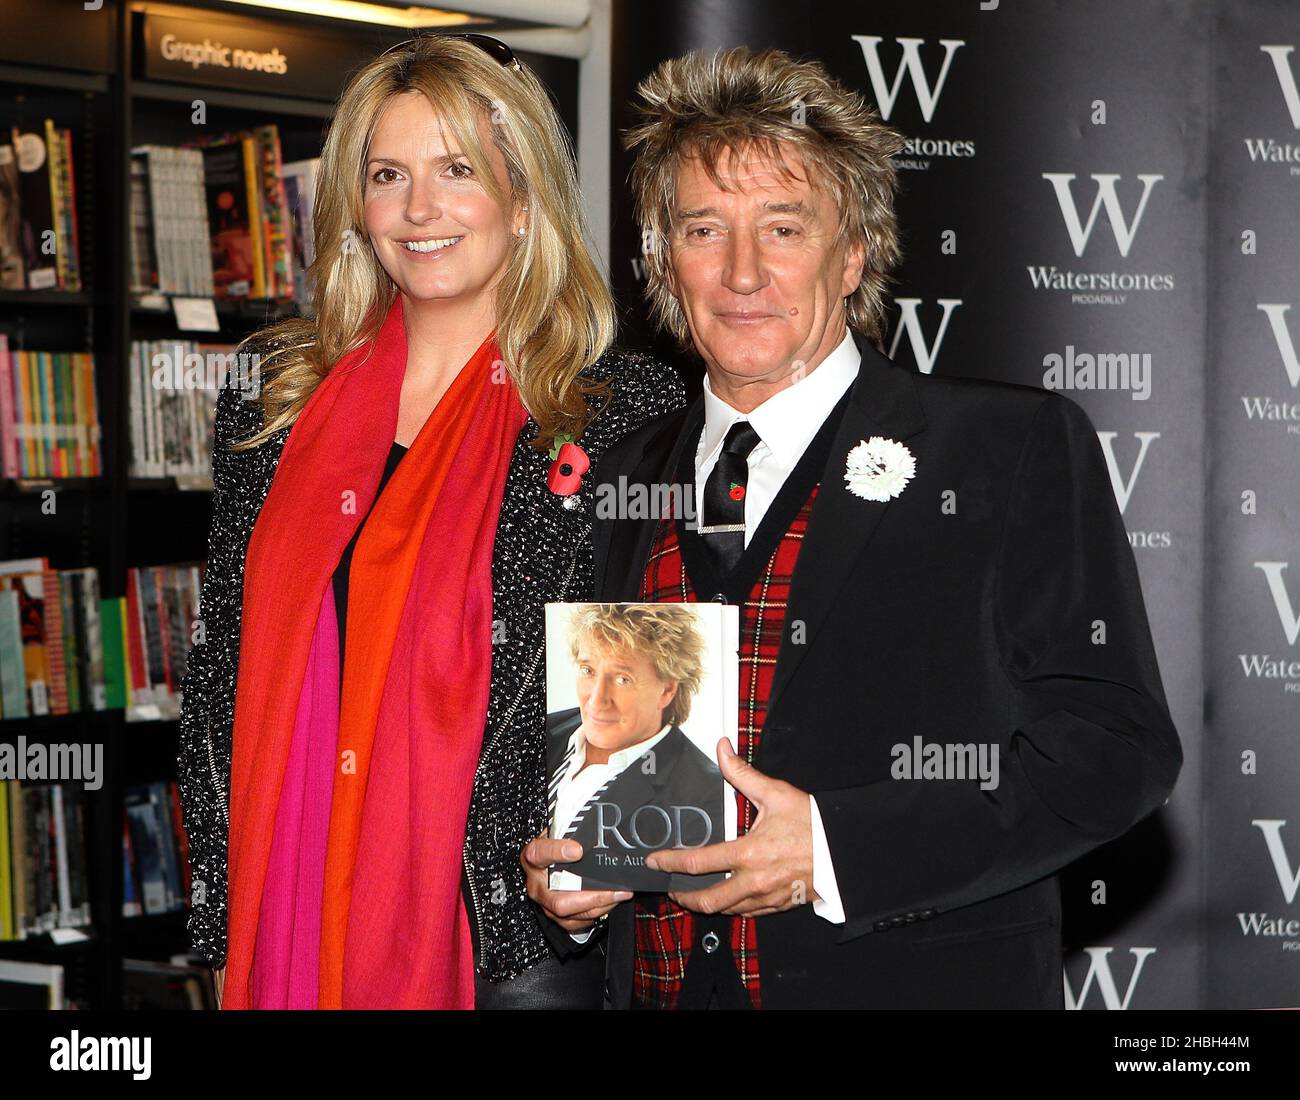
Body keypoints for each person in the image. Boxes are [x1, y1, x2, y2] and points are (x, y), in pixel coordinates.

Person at [522, 46, 1182, 1009]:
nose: (743, 272)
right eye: (705, 229)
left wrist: (835, 848)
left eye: (783, 227)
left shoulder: (1007, 447)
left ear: (855, 253)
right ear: (664, 260)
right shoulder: (615, 476)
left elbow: (1115, 748)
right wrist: (572, 890)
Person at [175, 33, 683, 1011]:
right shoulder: (277, 398)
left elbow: (648, 658)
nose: (419, 208)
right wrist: (219, 898)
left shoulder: (619, 405)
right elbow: (221, 664)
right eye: (388, 175)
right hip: (283, 907)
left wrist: (601, 877)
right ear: (356, 211)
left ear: (524, 197)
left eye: (458, 170)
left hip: (515, 939)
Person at [546, 603, 724, 891]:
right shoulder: (543, 730)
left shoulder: (706, 792)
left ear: (667, 690)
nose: (596, 700)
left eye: (622, 679)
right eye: (588, 670)